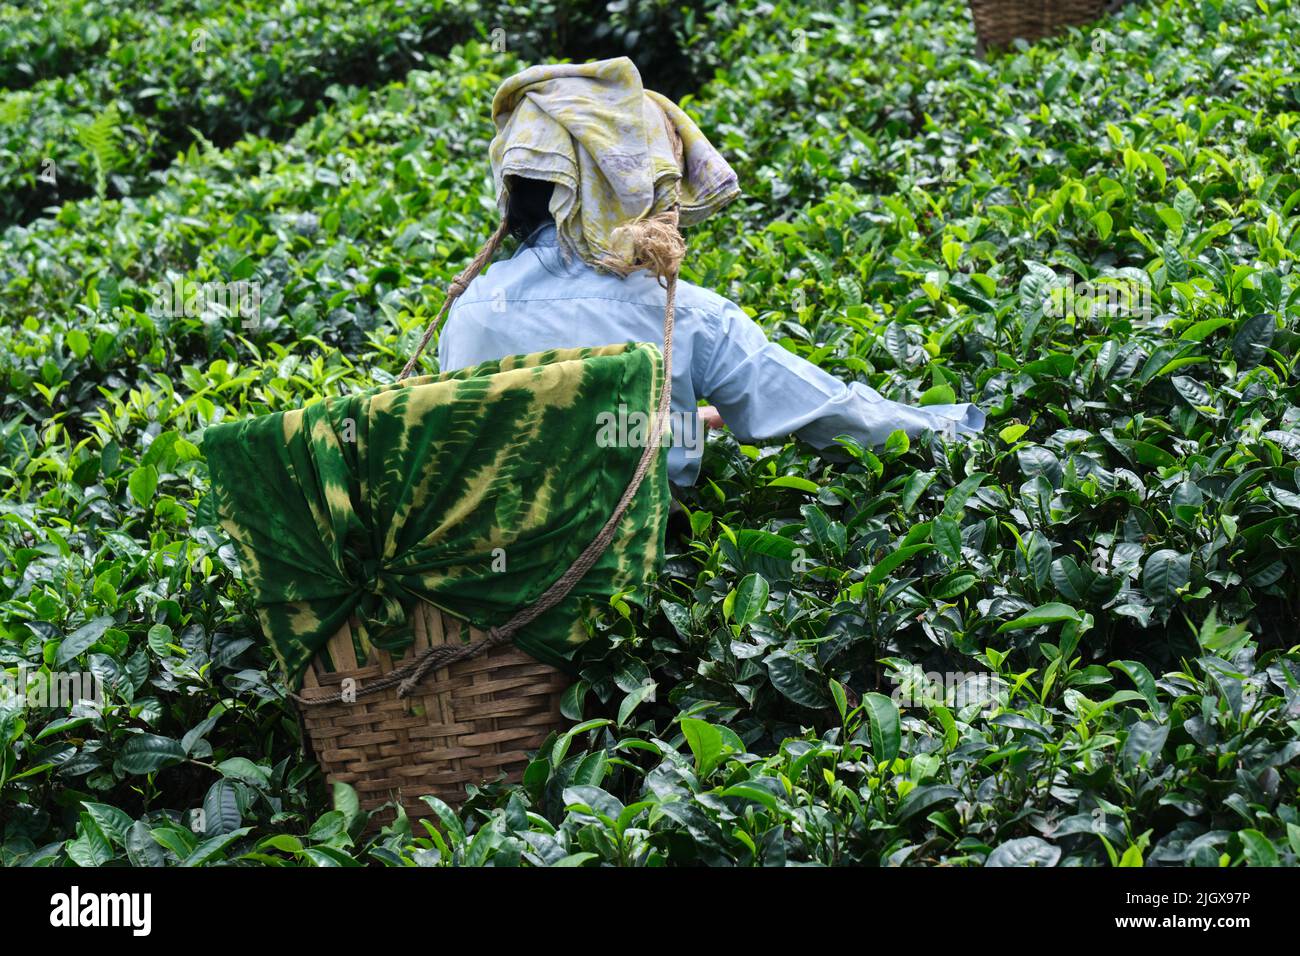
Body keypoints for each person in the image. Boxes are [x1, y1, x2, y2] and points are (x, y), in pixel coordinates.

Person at [434, 58, 984, 487]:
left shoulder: (471, 308)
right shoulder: (692, 316)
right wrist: (964, 426)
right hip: (633, 591)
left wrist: (693, 420)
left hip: (483, 586)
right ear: (633, 189)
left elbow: (533, 439)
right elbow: (832, 417)